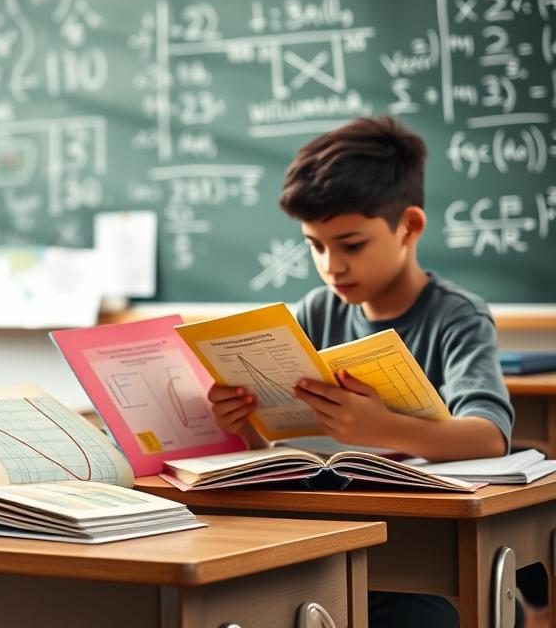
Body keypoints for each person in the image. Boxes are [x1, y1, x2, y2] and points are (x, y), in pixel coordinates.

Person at [207, 115, 515, 627]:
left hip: (413, 560)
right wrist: (243, 428)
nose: (332, 266)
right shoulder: (315, 312)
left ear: (409, 227)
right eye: (315, 246)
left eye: (351, 245)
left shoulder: (458, 316)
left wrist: (384, 429)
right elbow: (289, 451)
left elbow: (490, 438)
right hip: (321, 543)